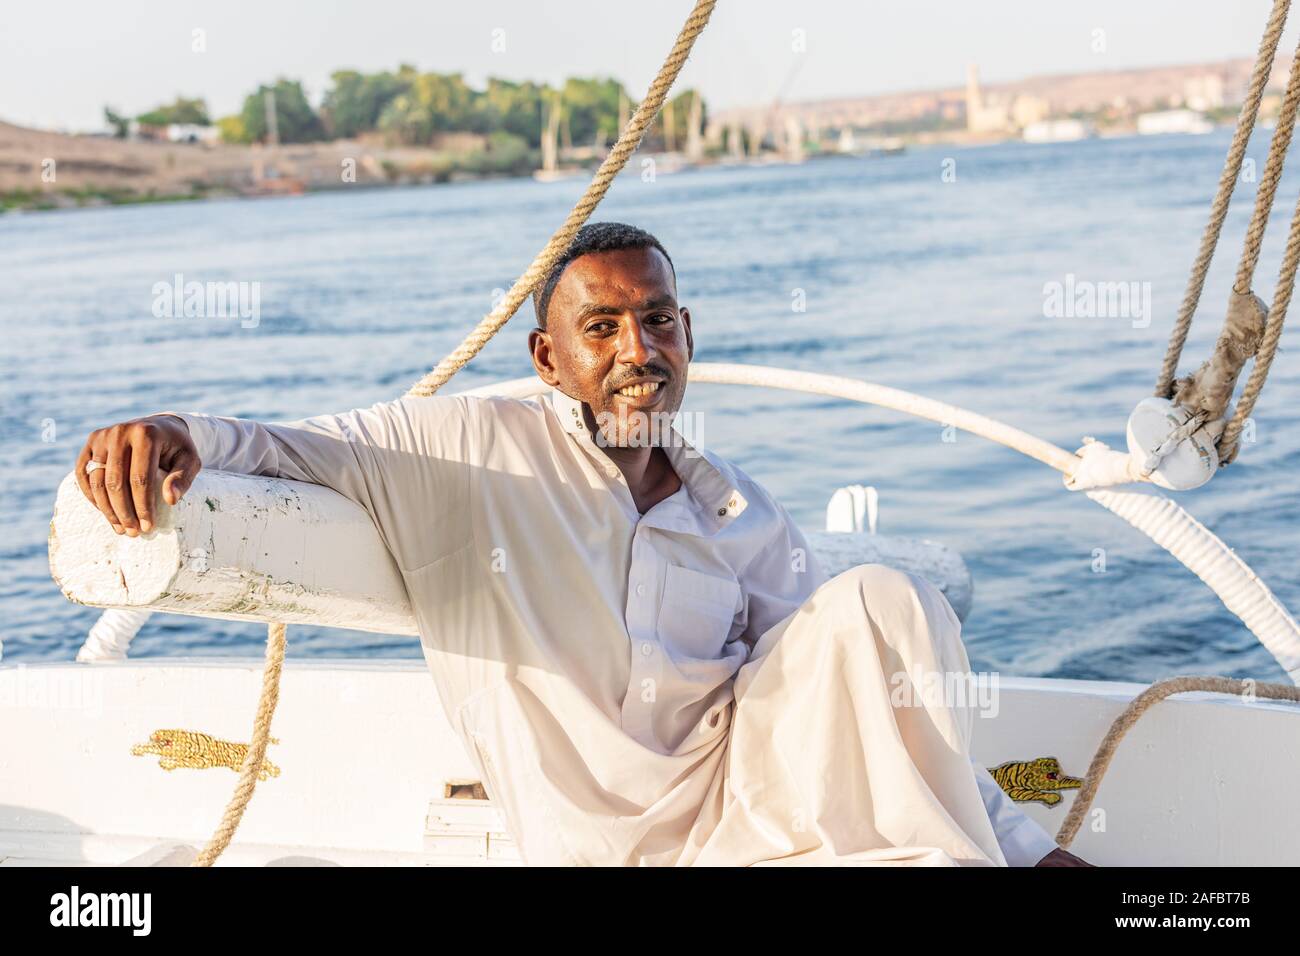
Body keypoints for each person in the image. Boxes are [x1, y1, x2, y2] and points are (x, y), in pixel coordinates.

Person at [75, 222, 1091, 867]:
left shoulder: (737, 509)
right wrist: (170, 433)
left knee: (885, 599)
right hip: (611, 850)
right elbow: (287, 442)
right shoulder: (464, 454)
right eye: (600, 327)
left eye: (655, 321)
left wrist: (1036, 849)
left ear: (686, 332)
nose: (636, 350)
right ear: (547, 358)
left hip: (754, 814)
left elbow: (881, 693)